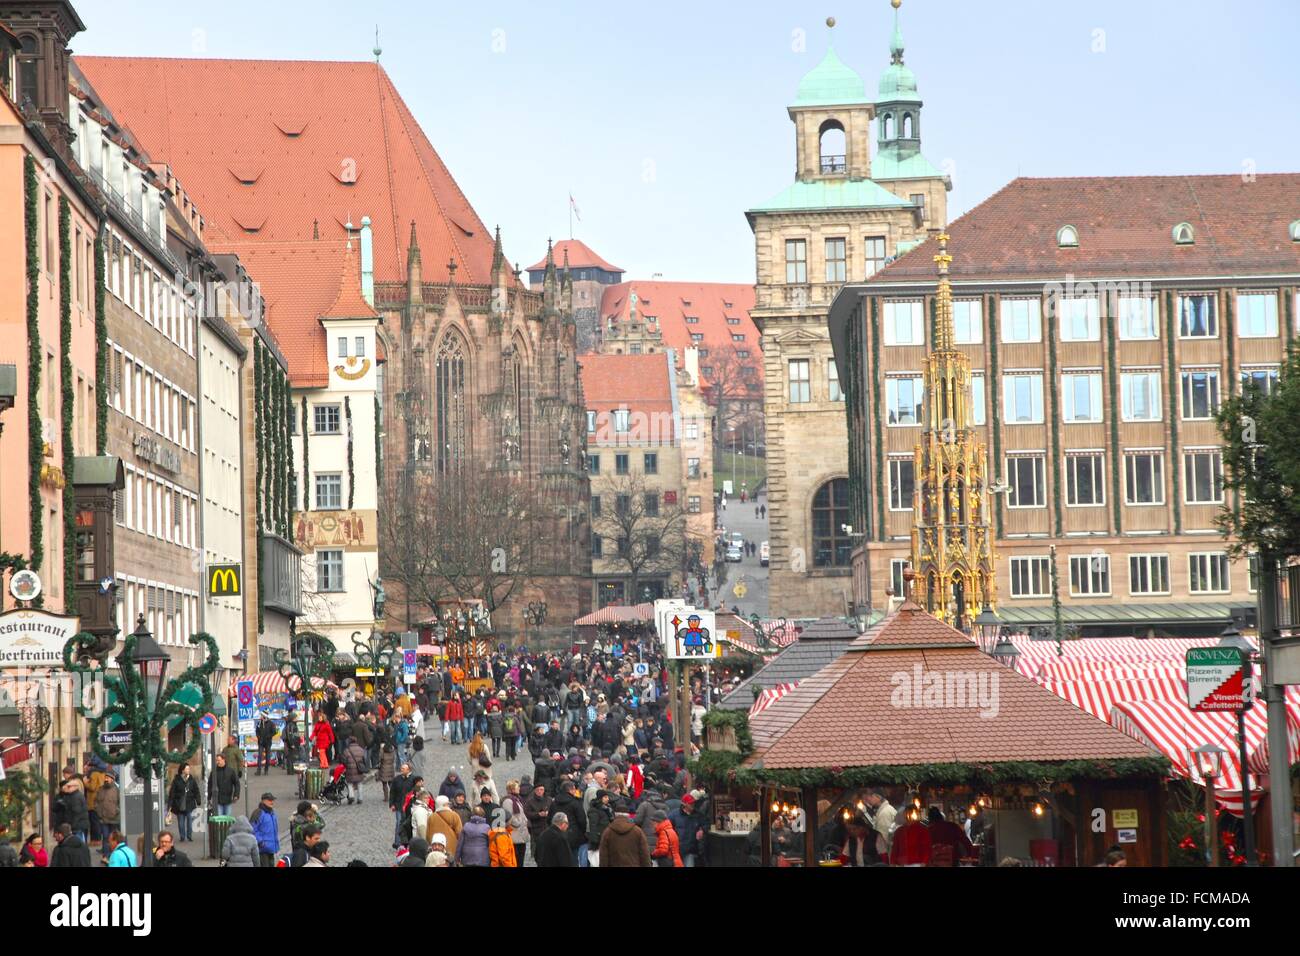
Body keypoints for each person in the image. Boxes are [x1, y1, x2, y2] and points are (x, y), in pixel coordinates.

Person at [167, 764, 201, 843]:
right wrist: (170, 805)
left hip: (190, 803)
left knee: (190, 820)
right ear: (182, 770)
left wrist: (198, 800)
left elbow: (196, 790)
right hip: (179, 804)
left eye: (189, 769)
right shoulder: (176, 780)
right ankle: (182, 836)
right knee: (181, 822)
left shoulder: (191, 779)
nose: (188, 770)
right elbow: (172, 793)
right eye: (187, 769)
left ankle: (189, 836)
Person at [51, 776, 90, 844]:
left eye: (69, 786)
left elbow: (76, 814)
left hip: (76, 826)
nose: (67, 788)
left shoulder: (76, 797)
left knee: (78, 843)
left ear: (75, 787)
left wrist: (72, 827)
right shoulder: (70, 795)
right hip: (72, 825)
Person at [669, 793, 703, 867]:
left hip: (690, 850)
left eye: (693, 803)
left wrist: (702, 830)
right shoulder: (674, 815)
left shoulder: (697, 814)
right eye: (690, 803)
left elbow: (705, 824)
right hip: (677, 850)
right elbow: (668, 829)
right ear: (684, 804)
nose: (693, 805)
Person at [94, 769, 121, 856]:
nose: (106, 779)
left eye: (108, 777)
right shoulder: (101, 789)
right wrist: (98, 811)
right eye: (106, 777)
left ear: (112, 779)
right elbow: (96, 802)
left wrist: (117, 811)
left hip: (114, 819)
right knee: (105, 837)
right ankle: (106, 855)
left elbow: (121, 803)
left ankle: (114, 854)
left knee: (114, 838)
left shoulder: (117, 790)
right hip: (103, 819)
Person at [388, 762, 415, 849]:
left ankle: (408, 841)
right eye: (401, 768)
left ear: (409, 770)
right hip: (399, 805)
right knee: (399, 823)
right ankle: (397, 842)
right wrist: (392, 804)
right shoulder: (397, 779)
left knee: (408, 824)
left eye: (403, 769)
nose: (401, 770)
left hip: (409, 806)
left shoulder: (413, 779)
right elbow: (392, 792)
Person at [864, 789, 897, 858]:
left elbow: (883, 838)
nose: (868, 799)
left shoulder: (885, 813)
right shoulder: (884, 810)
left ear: (878, 797)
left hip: (887, 854)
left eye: (870, 796)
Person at [250, 792, 279, 867]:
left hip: (271, 848)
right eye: (269, 800)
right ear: (263, 801)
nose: (272, 802)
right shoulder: (258, 813)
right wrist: (261, 842)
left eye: (272, 800)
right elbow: (252, 829)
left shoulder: (272, 812)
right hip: (262, 849)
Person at [341, 736, 367, 805]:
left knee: (350, 783)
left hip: (350, 769)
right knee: (359, 783)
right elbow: (364, 759)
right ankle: (360, 798)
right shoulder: (361, 749)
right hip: (359, 769)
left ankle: (351, 796)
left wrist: (346, 765)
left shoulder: (347, 750)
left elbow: (343, 760)